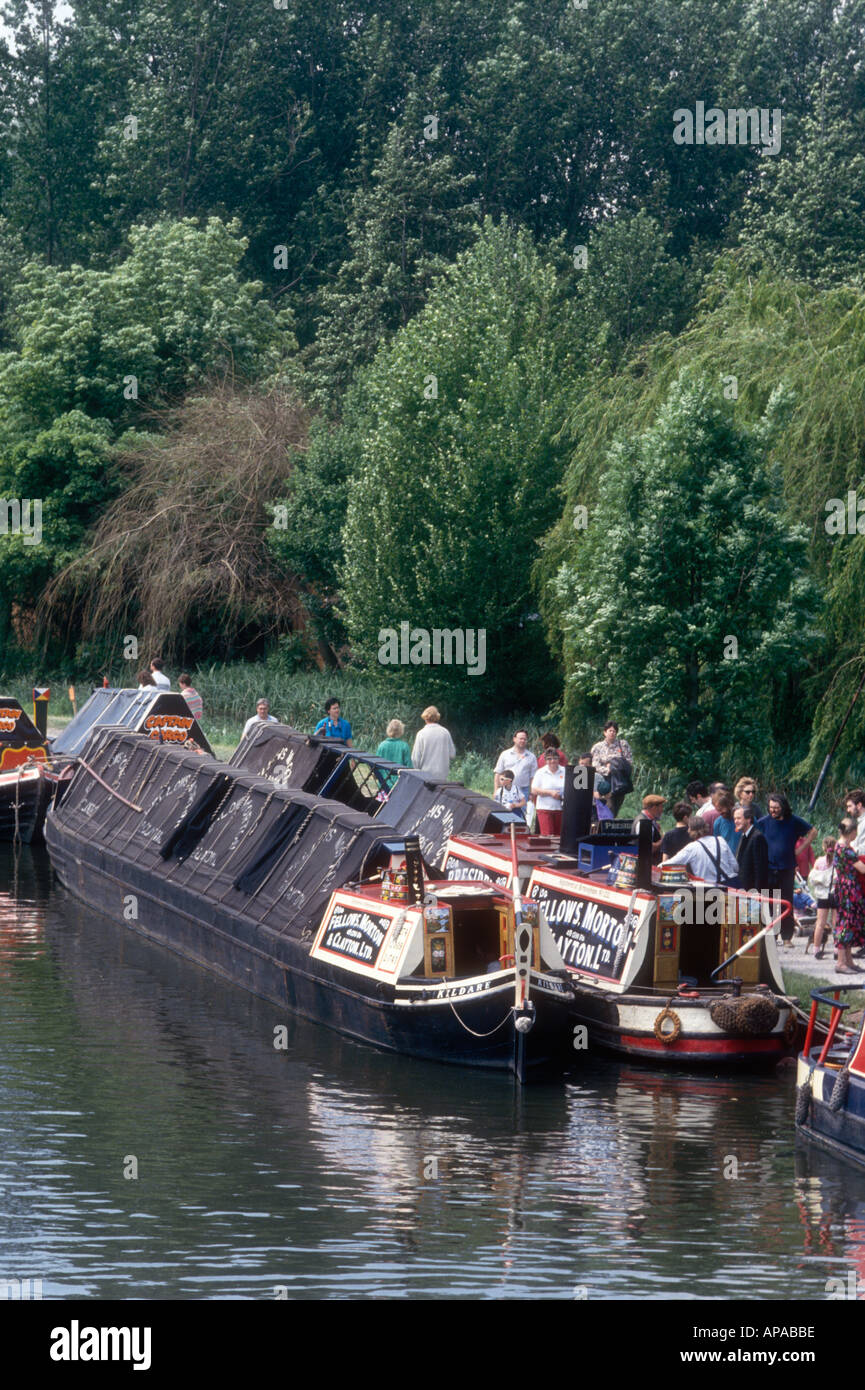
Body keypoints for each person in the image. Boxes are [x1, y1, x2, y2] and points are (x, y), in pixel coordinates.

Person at [756, 794, 816, 945]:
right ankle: (772, 936)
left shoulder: (794, 821)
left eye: (776, 808)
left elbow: (813, 831)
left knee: (786, 902)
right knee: (770, 903)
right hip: (769, 868)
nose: (773, 811)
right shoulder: (763, 822)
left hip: (787, 868)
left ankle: (787, 937)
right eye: (770, 808)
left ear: (783, 807)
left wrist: (802, 848)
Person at [831, 818, 865, 974]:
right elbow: (862, 870)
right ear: (851, 832)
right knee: (846, 924)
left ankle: (848, 961)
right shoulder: (847, 850)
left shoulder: (838, 845)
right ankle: (840, 962)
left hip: (843, 888)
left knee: (848, 923)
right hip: (849, 890)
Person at [664, 816, 740, 884]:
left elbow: (670, 864)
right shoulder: (720, 840)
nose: (688, 831)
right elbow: (735, 866)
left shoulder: (691, 848)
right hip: (732, 884)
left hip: (709, 889)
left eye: (689, 828)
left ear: (691, 830)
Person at [590, 721, 633, 815]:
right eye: (610, 731)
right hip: (605, 781)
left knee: (615, 809)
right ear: (605, 732)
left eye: (614, 731)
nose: (612, 733)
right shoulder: (598, 747)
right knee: (608, 808)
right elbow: (595, 765)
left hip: (620, 781)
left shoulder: (623, 745)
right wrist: (608, 769)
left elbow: (629, 762)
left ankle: (610, 826)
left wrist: (615, 766)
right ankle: (603, 827)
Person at [808, 835, 837, 961]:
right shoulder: (838, 861)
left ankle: (816, 949)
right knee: (836, 923)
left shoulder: (819, 861)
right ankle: (837, 949)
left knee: (820, 923)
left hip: (822, 896)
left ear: (823, 847)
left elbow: (813, 879)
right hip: (835, 894)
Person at [495, 730, 538, 808]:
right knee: (503, 814)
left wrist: (532, 793)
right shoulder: (505, 754)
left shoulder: (531, 757)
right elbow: (498, 773)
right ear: (514, 739)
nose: (523, 741)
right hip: (505, 790)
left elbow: (533, 777)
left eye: (525, 739)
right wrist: (496, 790)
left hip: (523, 790)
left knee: (521, 816)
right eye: (520, 738)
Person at [411, 707, 456, 780]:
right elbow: (452, 754)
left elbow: (415, 758)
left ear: (425, 718)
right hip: (442, 776)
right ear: (437, 717)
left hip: (425, 776)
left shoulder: (421, 734)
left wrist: (417, 772)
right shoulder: (445, 732)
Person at [734, 805, 769, 893]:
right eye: (734, 819)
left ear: (748, 819)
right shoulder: (744, 835)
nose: (736, 821)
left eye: (739, 818)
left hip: (754, 892)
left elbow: (760, 869)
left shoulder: (757, 837)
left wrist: (757, 892)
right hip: (744, 889)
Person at [531, 748, 566, 835]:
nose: (552, 761)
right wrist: (550, 792)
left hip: (560, 808)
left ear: (559, 759)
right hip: (544, 809)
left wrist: (562, 796)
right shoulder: (540, 772)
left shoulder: (565, 771)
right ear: (546, 760)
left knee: (559, 836)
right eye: (549, 759)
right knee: (547, 836)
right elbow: (534, 790)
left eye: (555, 758)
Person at [632, 794, 665, 858]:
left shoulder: (648, 821)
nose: (662, 810)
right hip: (646, 865)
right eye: (661, 807)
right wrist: (663, 841)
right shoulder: (643, 823)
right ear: (654, 808)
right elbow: (648, 849)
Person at [845, 788, 865, 855]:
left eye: (850, 806)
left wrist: (845, 851)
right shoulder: (861, 822)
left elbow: (863, 850)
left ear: (859, 805)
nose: (848, 810)